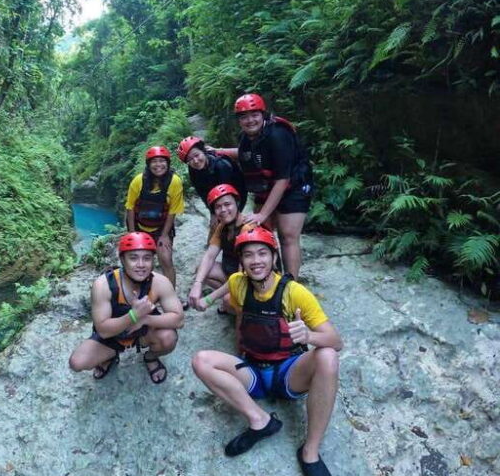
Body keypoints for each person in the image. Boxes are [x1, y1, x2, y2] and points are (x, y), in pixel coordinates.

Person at [191, 227, 342, 476]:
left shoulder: (295, 292)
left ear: (274, 257)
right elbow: (241, 314)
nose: (256, 261)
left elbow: (336, 341)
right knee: (201, 361)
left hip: (288, 371)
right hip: (253, 370)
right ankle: (260, 421)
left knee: (327, 355)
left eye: (262, 253)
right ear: (241, 261)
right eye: (248, 255)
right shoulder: (237, 283)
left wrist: (309, 336)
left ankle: (310, 452)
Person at [68, 232, 185, 383]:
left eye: (147, 258)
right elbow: (103, 330)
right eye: (133, 258)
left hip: (143, 332)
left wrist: (145, 319)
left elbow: (179, 320)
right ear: (122, 260)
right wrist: (133, 316)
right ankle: (110, 355)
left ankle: (150, 357)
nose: (141, 265)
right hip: (112, 336)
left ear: (153, 260)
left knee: (168, 338)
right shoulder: (104, 285)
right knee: (77, 362)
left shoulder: (160, 282)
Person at [220, 93, 313, 278]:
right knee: (262, 232)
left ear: (263, 114)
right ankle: (271, 278)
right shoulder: (248, 138)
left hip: (294, 186)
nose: (250, 120)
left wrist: (263, 214)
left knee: (287, 236)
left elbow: (283, 179)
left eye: (254, 115)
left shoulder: (278, 135)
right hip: (268, 186)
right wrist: (219, 151)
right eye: (244, 117)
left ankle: (291, 283)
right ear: (239, 121)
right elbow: (245, 154)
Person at [125, 146, 185, 288]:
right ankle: (142, 292)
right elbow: (130, 208)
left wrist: (164, 235)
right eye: (154, 162)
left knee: (166, 259)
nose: (158, 165)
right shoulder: (138, 181)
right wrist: (133, 234)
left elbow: (172, 211)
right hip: (140, 227)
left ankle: (171, 294)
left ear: (168, 163)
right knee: (141, 262)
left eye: (162, 161)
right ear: (148, 164)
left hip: (161, 228)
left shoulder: (174, 182)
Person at [186, 184, 243, 311]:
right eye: (218, 207)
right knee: (201, 270)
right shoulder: (222, 226)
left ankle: (237, 306)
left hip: (249, 279)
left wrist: (209, 298)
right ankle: (230, 293)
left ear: (237, 204)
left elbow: (241, 276)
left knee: (228, 301)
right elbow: (210, 256)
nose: (223, 210)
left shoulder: (247, 229)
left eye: (227, 204)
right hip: (231, 272)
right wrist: (197, 284)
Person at [177, 136, 247, 222]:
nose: (195, 161)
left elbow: (227, 194)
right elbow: (202, 192)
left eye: (197, 155)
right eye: (190, 159)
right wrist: (212, 212)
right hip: (215, 190)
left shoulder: (221, 165)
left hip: (237, 194)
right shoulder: (193, 169)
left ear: (203, 151)